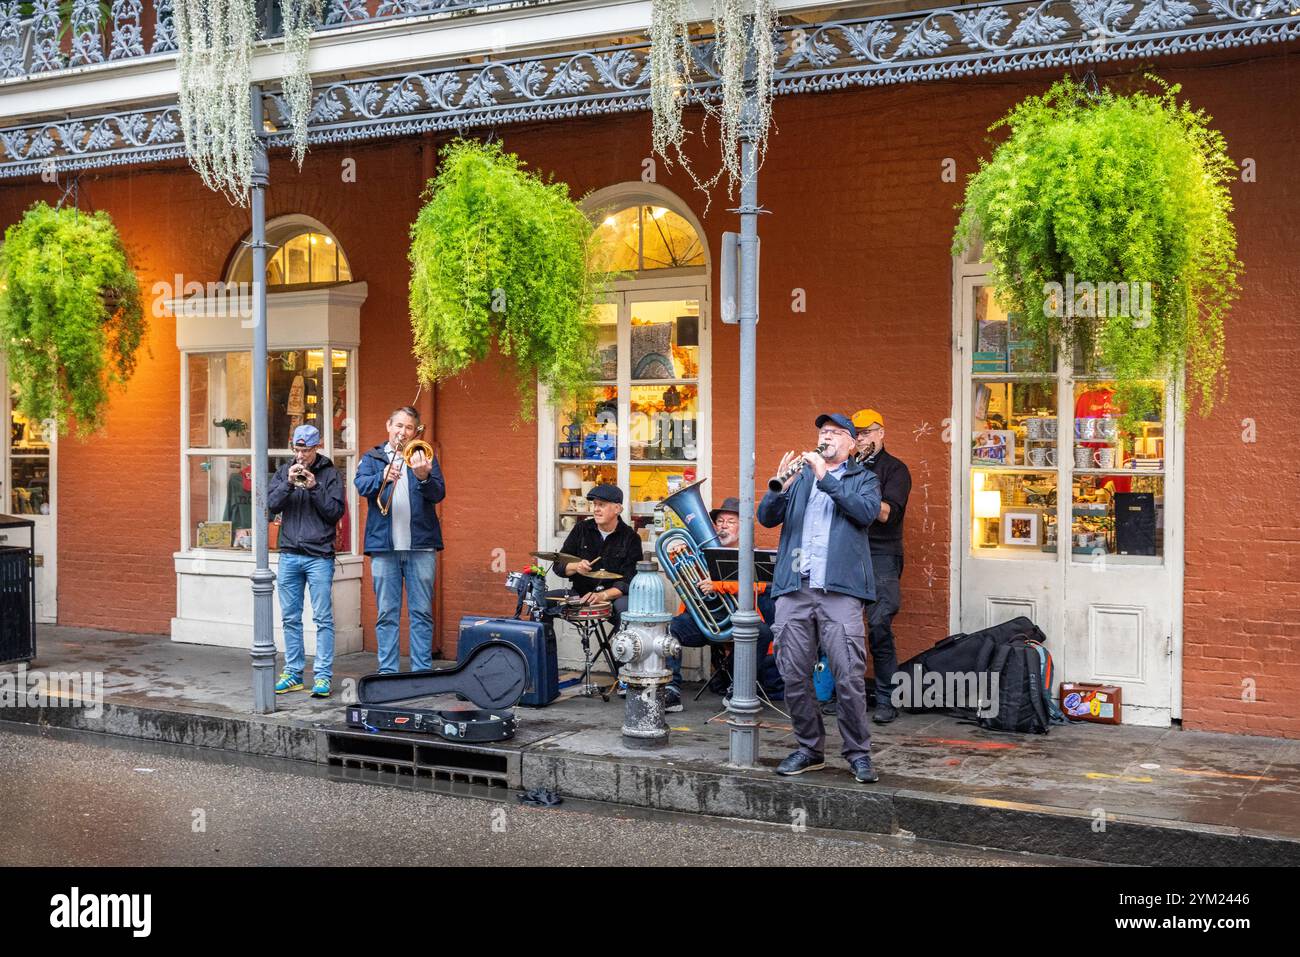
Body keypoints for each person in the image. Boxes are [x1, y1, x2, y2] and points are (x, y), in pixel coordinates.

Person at [758, 413, 882, 784]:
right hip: (795, 588)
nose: (825, 438)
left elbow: (865, 514)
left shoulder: (865, 480)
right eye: (822, 432)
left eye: (834, 433)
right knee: (792, 674)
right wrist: (780, 486)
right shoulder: (800, 479)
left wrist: (825, 478)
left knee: (849, 677)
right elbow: (766, 518)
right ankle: (809, 749)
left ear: (851, 443)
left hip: (839, 592)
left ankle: (858, 753)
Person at [664, 497, 783, 713]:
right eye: (719, 521)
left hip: (738, 619)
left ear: (743, 528)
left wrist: (719, 585)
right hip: (705, 620)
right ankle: (671, 690)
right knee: (669, 629)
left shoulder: (751, 555)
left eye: (730, 521)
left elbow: (761, 585)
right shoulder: (700, 553)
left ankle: (738, 688)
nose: (723, 525)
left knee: (762, 633)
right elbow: (687, 582)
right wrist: (680, 555)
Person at [354, 406, 446, 674]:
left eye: (408, 428)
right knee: (386, 614)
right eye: (398, 426)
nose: (402, 432)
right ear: (388, 426)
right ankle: (388, 672)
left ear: (415, 431)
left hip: (421, 547)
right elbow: (361, 486)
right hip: (385, 548)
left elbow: (438, 493)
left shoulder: (423, 456)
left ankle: (421, 671)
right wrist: (382, 476)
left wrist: (424, 477)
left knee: (421, 613)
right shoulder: (372, 457)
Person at [268, 424, 347, 698]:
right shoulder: (283, 471)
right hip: (289, 553)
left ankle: (323, 676)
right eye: (297, 449)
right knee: (291, 618)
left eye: (306, 450)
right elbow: (270, 506)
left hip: (319, 557)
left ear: (317, 447)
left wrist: (314, 487)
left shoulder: (331, 474)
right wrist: (289, 483)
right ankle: (293, 673)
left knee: (323, 618)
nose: (301, 456)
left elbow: (335, 513)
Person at [853, 407, 912, 723]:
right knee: (839, 627)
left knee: (879, 626)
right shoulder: (846, 467)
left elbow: (887, 514)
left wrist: (853, 488)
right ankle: (845, 695)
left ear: (881, 433)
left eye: (866, 432)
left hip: (881, 554)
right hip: (848, 553)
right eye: (857, 433)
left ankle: (889, 699)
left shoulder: (895, 469)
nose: (861, 439)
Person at [554, 484, 642, 626]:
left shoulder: (630, 538)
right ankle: (544, 647)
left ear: (617, 509)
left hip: (612, 597)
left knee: (626, 611)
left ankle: (619, 648)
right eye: (594, 504)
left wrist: (602, 595)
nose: (596, 509)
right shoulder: (581, 528)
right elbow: (558, 565)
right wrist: (576, 566)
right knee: (540, 603)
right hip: (579, 593)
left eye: (602, 505)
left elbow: (629, 580)